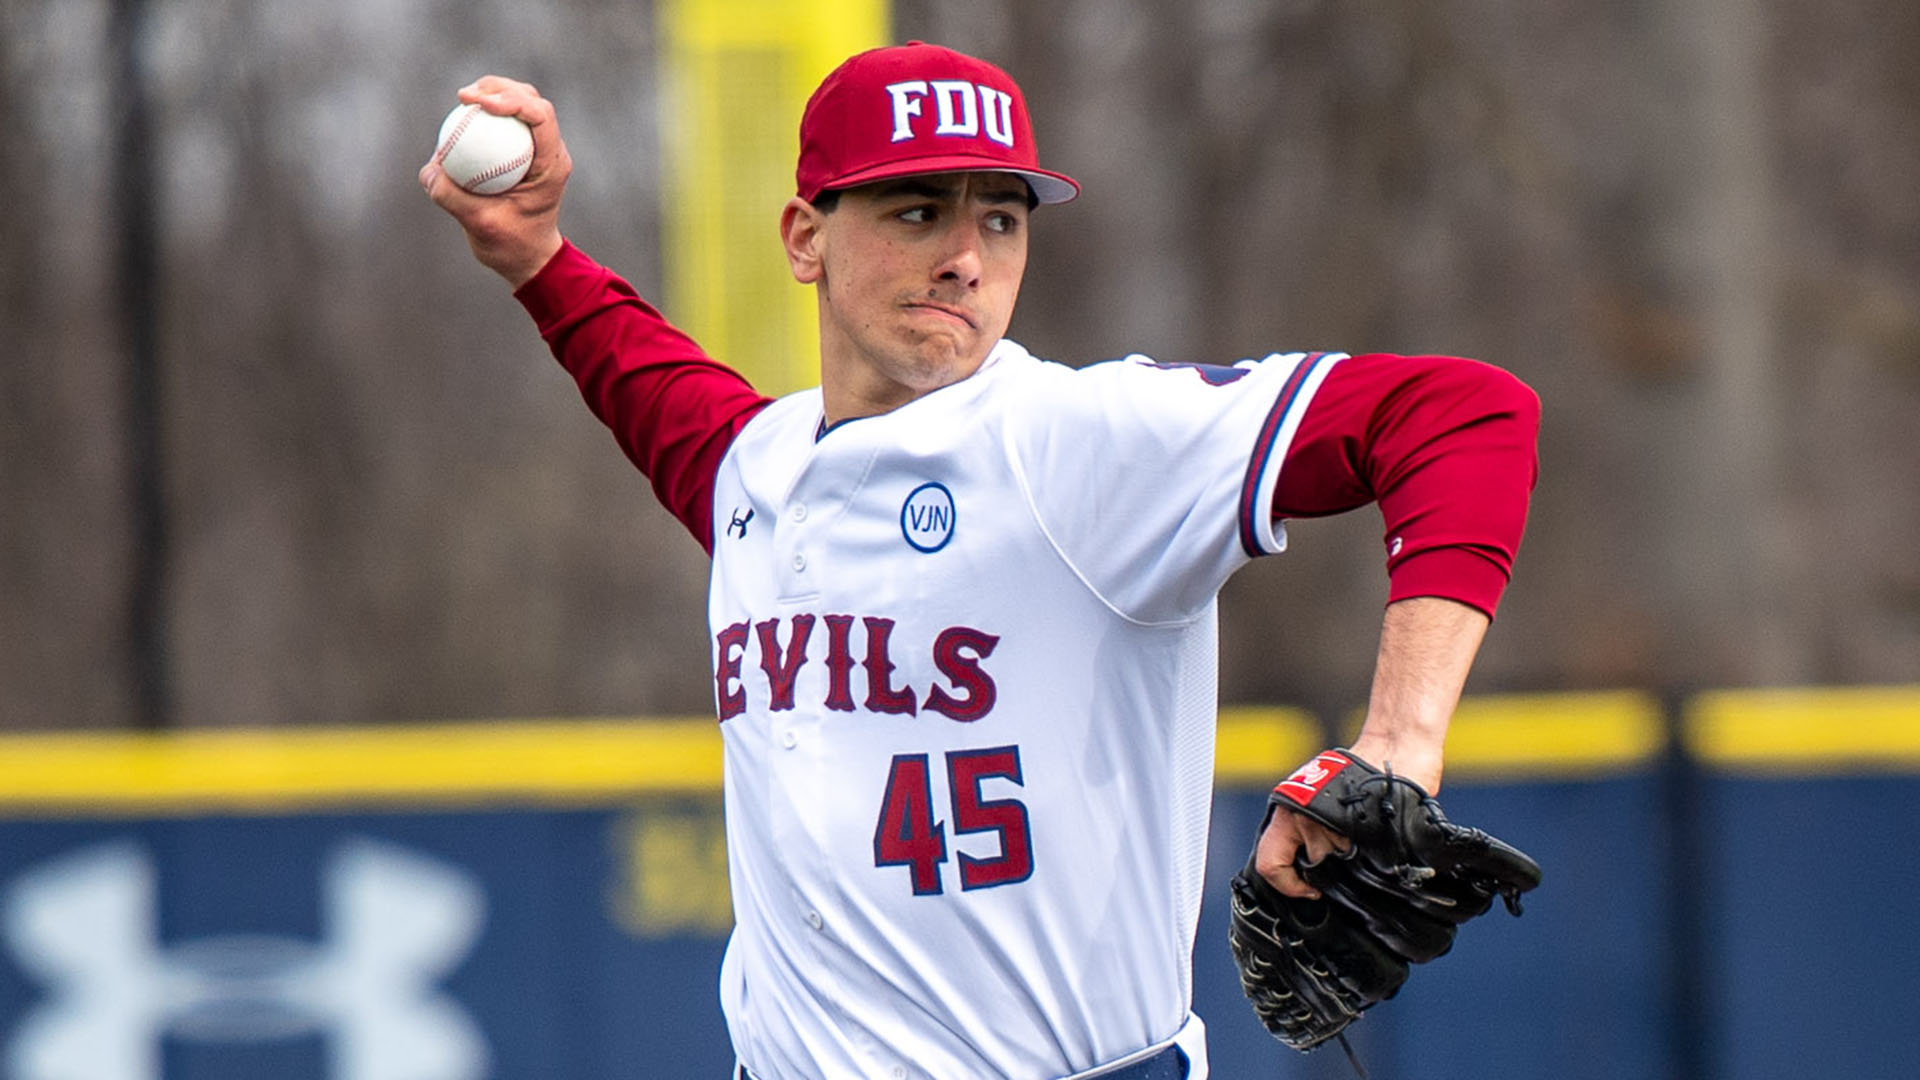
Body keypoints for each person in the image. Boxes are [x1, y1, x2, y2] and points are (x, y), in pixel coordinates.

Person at [421, 41, 1539, 1080]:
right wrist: (538, 259)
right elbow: (648, 383)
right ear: (806, 238)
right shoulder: (755, 469)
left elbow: (1463, 418)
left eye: (1000, 219)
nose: (964, 257)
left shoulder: (1082, 443)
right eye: (917, 211)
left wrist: (1397, 748)